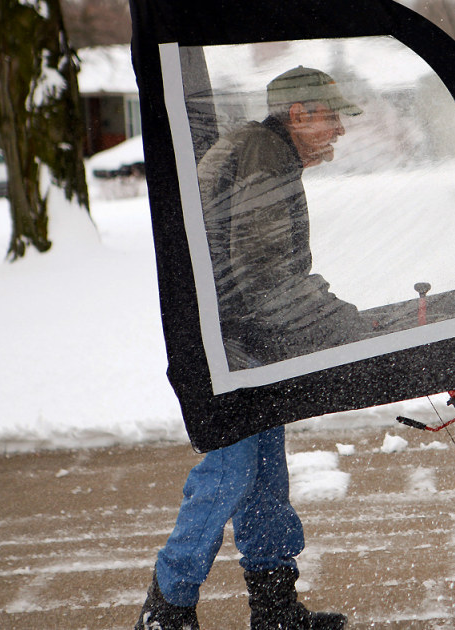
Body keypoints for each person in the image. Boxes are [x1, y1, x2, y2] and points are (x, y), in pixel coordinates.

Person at [135, 66, 364, 630]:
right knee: (232, 469)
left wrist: (331, 316)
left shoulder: (266, 150)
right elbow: (260, 272)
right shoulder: (262, 153)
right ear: (300, 114)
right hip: (226, 341)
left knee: (264, 472)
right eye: (331, 117)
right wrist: (333, 322)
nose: (339, 130)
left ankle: (275, 607)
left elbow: (272, 271)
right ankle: (166, 608)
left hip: (244, 336)